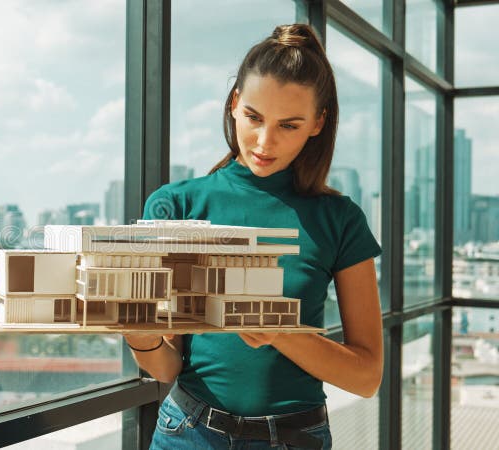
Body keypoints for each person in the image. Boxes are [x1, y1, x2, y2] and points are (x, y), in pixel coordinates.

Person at [124, 24, 383, 450]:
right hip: (188, 433)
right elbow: (167, 368)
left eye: (289, 125)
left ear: (317, 124)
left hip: (295, 439)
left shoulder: (340, 220)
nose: (265, 141)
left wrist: (277, 331)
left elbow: (366, 377)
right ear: (233, 104)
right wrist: (138, 333)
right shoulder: (175, 207)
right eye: (254, 117)